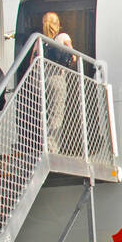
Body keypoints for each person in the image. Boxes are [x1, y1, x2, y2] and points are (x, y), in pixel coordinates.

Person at [42, 12, 76, 154]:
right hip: (57, 78)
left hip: (42, 79)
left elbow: (33, 61)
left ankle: (45, 147)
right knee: (56, 116)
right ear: (58, 24)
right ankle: (52, 150)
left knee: (45, 114)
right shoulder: (63, 37)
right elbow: (73, 56)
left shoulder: (41, 41)